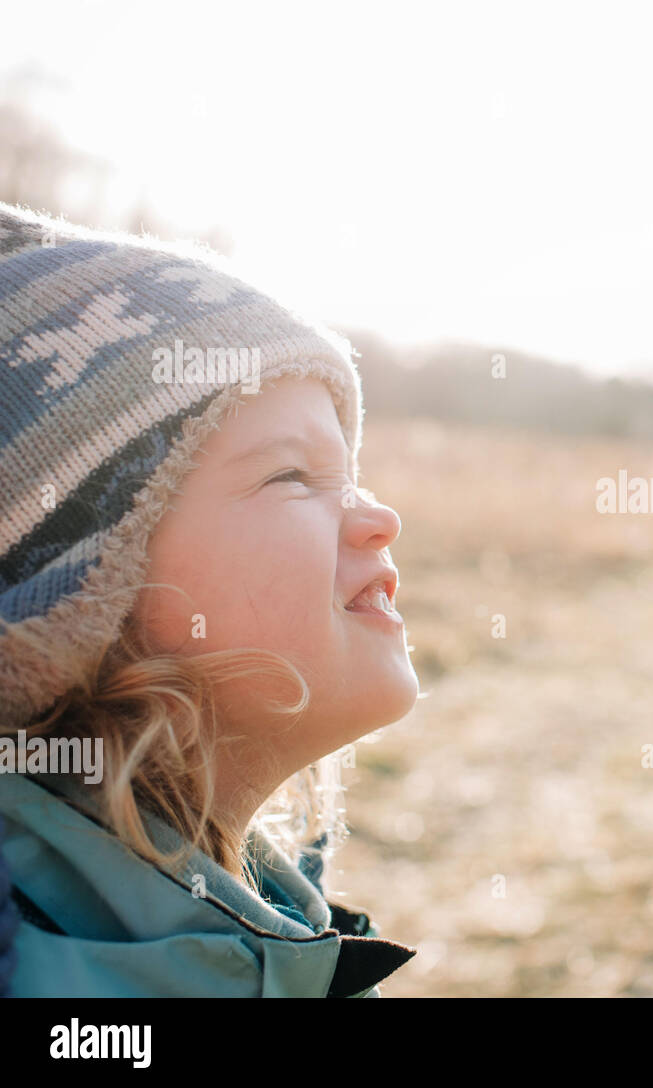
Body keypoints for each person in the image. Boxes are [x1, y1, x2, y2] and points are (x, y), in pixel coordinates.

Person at [0, 201, 420, 997]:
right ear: (87, 587)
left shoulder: (268, 921)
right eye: (293, 476)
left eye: (352, 476)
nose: (380, 518)